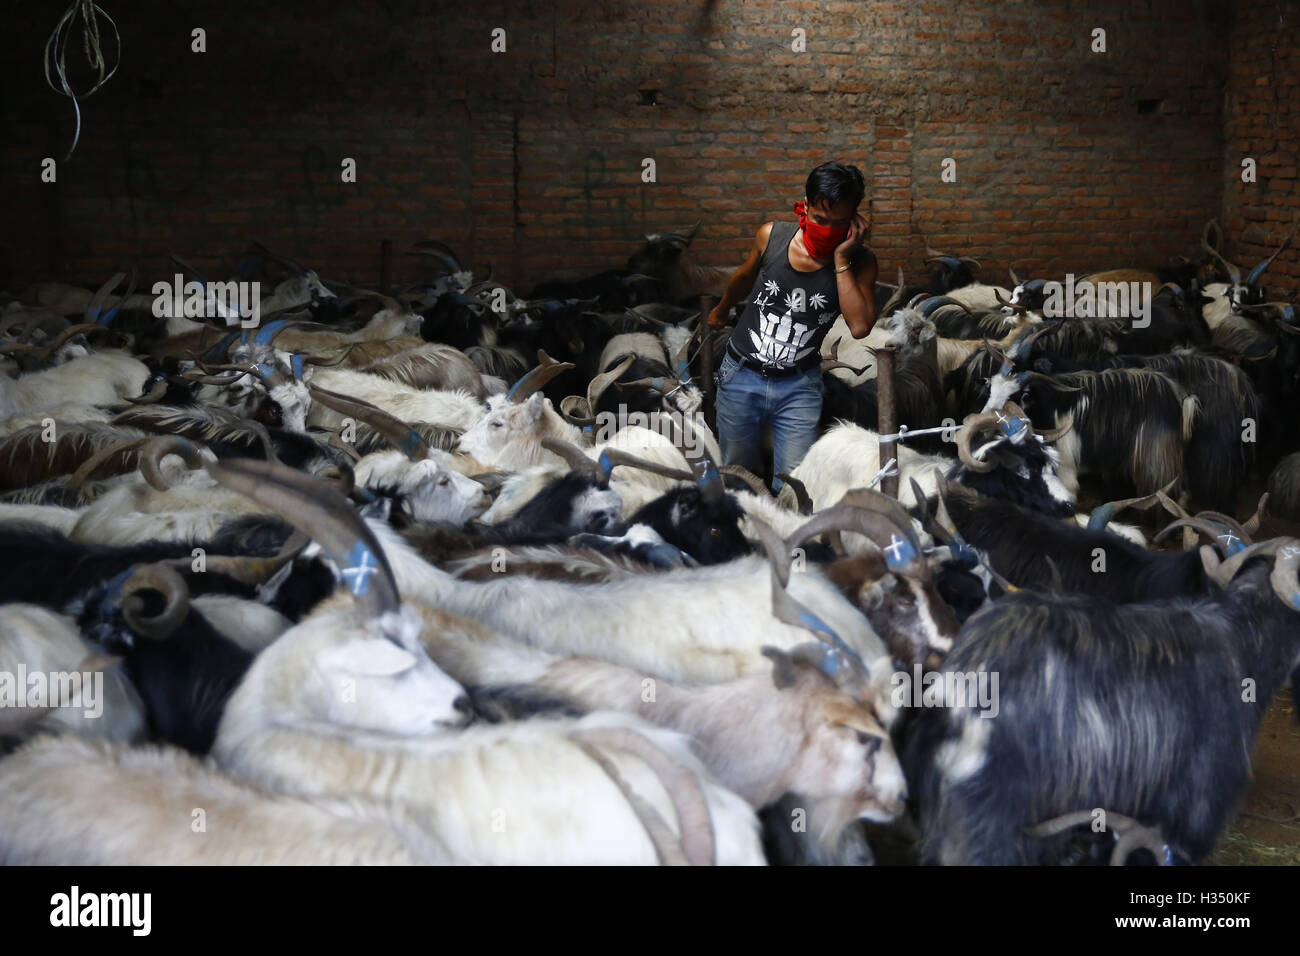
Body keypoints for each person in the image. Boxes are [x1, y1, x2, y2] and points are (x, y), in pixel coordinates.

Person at [706, 161, 878, 490]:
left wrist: (842, 258)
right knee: (736, 476)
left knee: (795, 486)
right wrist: (722, 308)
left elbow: (859, 326)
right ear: (805, 205)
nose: (828, 229)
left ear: (855, 220)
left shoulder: (862, 262)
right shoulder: (772, 236)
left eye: (838, 223)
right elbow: (743, 278)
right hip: (741, 374)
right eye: (820, 219)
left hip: (799, 388)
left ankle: (791, 541)